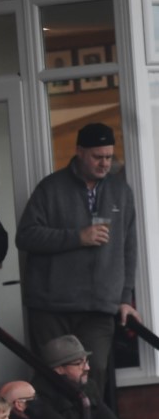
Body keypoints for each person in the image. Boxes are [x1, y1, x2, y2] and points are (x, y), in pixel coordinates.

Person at [17, 122, 139, 393]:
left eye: (109, 157)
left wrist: (124, 298)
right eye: (98, 157)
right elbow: (25, 236)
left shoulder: (121, 191)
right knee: (54, 380)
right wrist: (77, 237)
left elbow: (129, 248)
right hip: (52, 306)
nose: (105, 163)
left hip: (100, 306)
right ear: (80, 152)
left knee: (93, 376)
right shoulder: (50, 188)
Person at [32, 334, 134, 419]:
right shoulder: (39, 394)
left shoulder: (88, 386)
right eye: (79, 363)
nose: (87, 368)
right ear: (59, 369)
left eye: (86, 361)